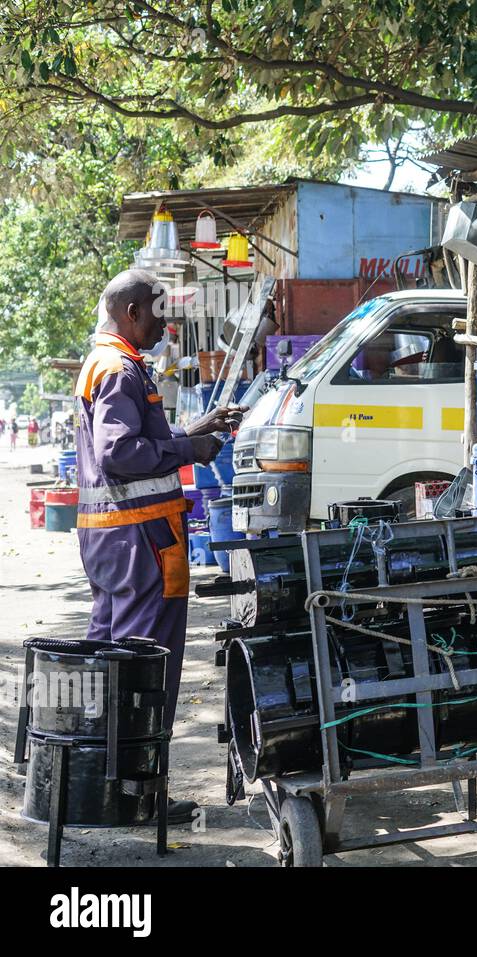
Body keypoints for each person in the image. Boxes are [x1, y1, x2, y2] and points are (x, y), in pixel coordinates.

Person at [75, 269, 245, 824]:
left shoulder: (110, 364)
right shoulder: (120, 369)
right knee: (144, 670)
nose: (165, 322)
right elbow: (121, 452)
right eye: (157, 310)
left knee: (112, 663)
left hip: (120, 539)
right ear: (131, 312)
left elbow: (135, 442)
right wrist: (193, 448)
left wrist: (195, 428)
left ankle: (106, 789)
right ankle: (135, 795)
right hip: (140, 539)